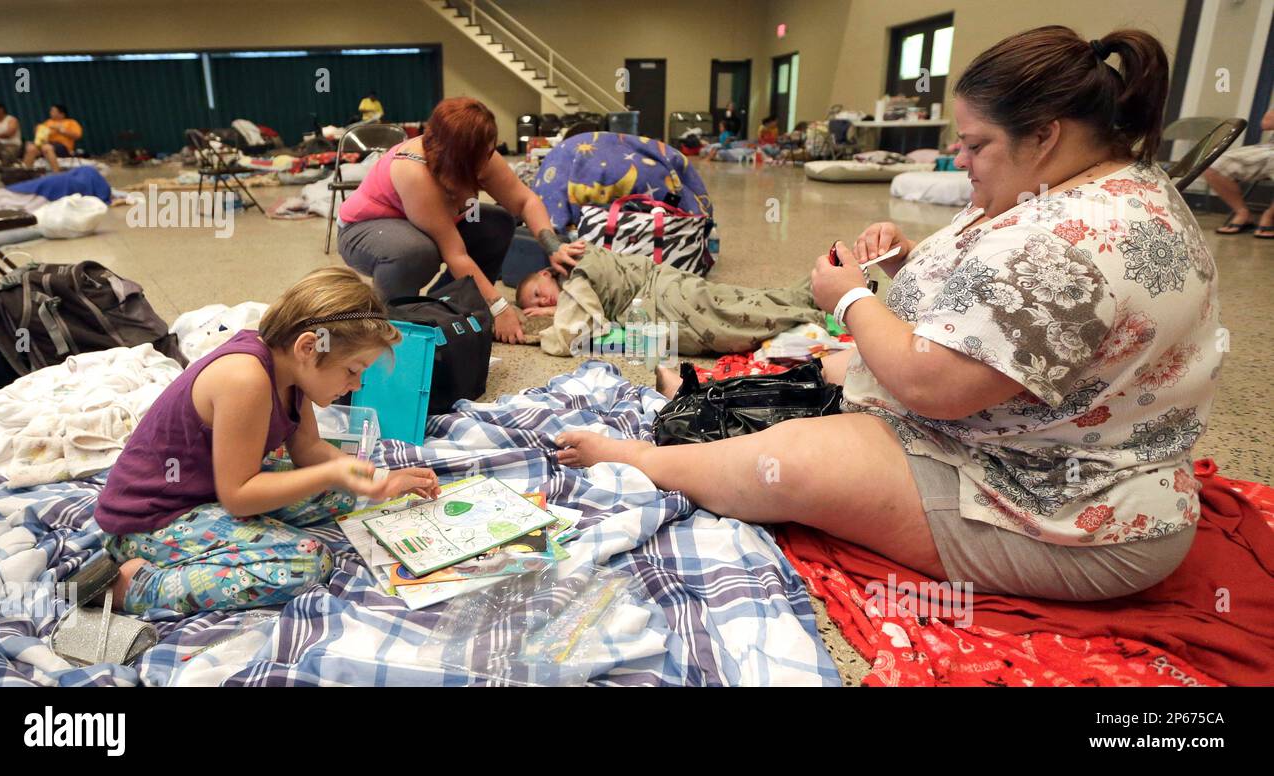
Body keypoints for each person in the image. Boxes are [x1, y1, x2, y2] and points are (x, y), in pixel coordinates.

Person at [557, 26, 1222, 603]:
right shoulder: (1104, 185)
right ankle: (712, 415)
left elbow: (932, 385)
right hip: (1050, 444)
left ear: (1045, 135)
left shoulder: (1066, 243)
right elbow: (1012, 317)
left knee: (792, 461)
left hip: (1065, 509)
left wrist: (851, 299)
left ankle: (642, 459)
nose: (961, 161)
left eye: (976, 145)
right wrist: (908, 266)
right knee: (831, 366)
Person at [94, 267, 441, 615]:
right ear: (309, 347)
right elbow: (238, 497)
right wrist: (332, 473)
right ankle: (136, 587)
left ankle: (243, 536)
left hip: (208, 489)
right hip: (150, 521)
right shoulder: (245, 379)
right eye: (352, 370)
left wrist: (380, 478)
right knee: (307, 562)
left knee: (344, 492)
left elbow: (308, 449)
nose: (356, 385)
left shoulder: (291, 370)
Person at [338, 97, 584, 344]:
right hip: (365, 230)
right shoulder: (415, 172)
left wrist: (553, 245)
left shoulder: (479, 153)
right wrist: (499, 307)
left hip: (420, 224)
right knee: (415, 252)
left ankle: (446, 307)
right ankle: (394, 324)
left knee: (496, 223)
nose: (487, 163)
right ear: (458, 157)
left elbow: (525, 201)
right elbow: (455, 253)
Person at [516, 243, 824, 356]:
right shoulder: (574, 280)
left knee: (724, 324)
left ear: (545, 273)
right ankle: (810, 291)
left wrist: (552, 317)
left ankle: (813, 307)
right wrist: (557, 306)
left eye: (537, 294)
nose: (543, 303)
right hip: (663, 286)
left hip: (661, 292)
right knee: (732, 303)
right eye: (537, 304)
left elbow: (568, 336)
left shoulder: (575, 272)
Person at [1204, 108, 1274, 238]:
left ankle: (1270, 216)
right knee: (1213, 166)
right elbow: (1266, 124)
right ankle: (1243, 213)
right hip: (1270, 149)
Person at [22, 104, 81, 172]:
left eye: (53, 111)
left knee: (46, 147)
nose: (50, 112)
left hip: (63, 147)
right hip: (46, 144)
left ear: (61, 114)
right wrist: (37, 130)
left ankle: (56, 173)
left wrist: (61, 130)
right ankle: (27, 173)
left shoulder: (71, 122)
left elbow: (77, 135)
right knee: (31, 148)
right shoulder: (48, 122)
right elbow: (40, 135)